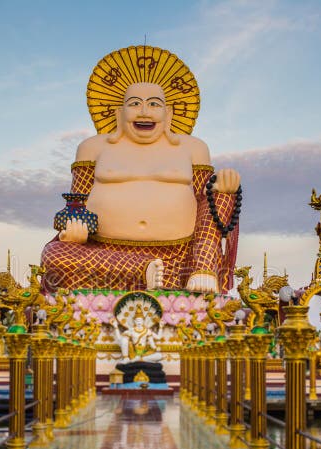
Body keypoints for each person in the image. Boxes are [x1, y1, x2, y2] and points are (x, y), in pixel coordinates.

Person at [41, 45, 241, 294]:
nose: (144, 111)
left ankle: (203, 268)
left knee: (219, 192)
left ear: (168, 113)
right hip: (104, 256)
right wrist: (75, 230)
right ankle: (140, 269)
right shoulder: (93, 148)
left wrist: (224, 188)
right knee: (54, 254)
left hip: (179, 259)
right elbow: (77, 200)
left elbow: (206, 203)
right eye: (135, 103)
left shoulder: (192, 148)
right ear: (119, 113)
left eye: (154, 104)